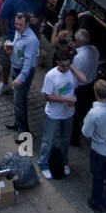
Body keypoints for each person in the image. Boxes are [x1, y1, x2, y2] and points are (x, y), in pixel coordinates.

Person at [82, 80, 106, 213]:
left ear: (95, 93)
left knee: (98, 177)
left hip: (99, 149)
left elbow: (86, 133)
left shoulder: (94, 113)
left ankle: (96, 202)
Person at [38, 51, 77, 179]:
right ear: (57, 63)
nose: (66, 68)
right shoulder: (51, 76)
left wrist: (72, 99)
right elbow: (47, 96)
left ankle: (64, 161)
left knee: (65, 139)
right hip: (53, 114)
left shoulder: (71, 71)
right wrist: (65, 100)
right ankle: (43, 163)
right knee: (48, 140)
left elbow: (79, 83)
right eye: (63, 66)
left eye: (68, 65)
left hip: (68, 112)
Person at [7, 10, 41, 141]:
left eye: (20, 24)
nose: (17, 27)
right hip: (15, 68)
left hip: (23, 73)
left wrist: (20, 79)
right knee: (17, 102)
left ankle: (24, 133)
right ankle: (18, 123)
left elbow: (28, 64)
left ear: (27, 24)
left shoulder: (31, 40)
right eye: (16, 23)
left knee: (20, 103)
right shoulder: (19, 32)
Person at [70, 28, 100, 147]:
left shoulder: (78, 57)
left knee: (76, 115)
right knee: (86, 110)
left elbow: (75, 76)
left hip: (81, 88)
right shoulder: (95, 50)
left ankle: (74, 138)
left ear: (78, 41)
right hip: (92, 85)